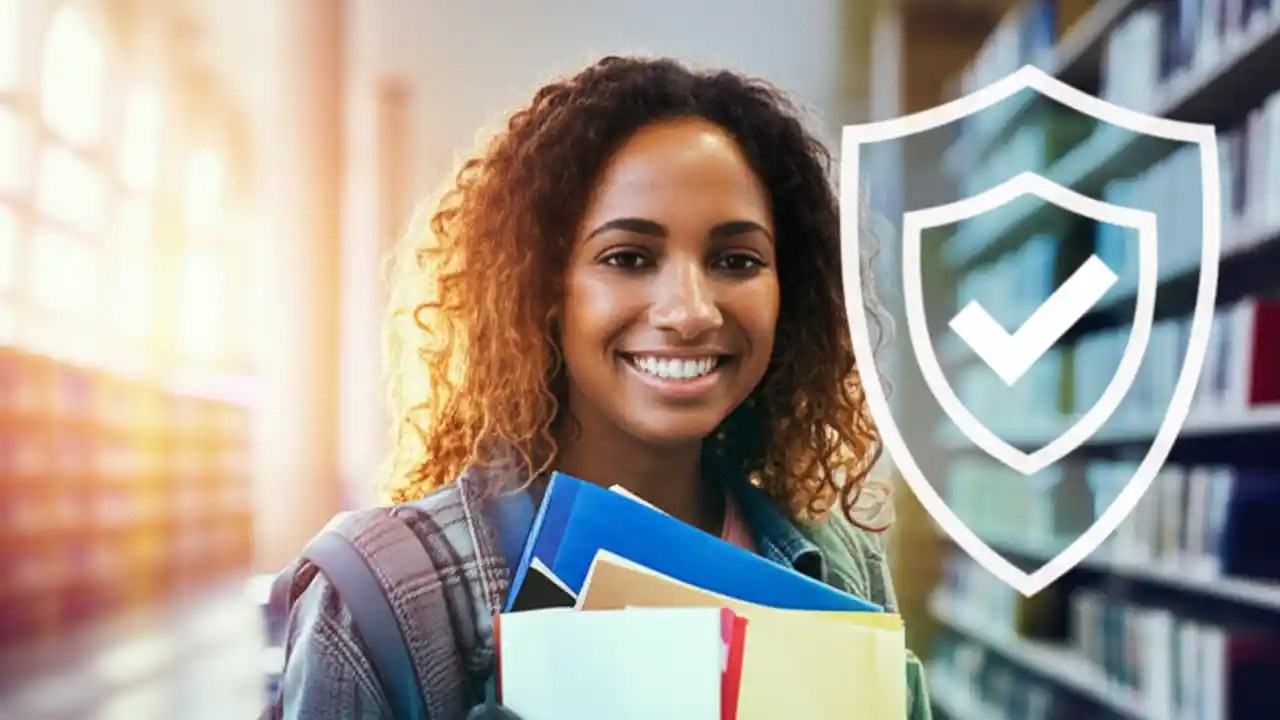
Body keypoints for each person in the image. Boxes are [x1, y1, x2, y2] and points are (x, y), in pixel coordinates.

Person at [273, 55, 930, 719]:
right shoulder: (384, 593)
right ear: (545, 292)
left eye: (736, 260)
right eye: (628, 258)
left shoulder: (842, 567)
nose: (691, 310)